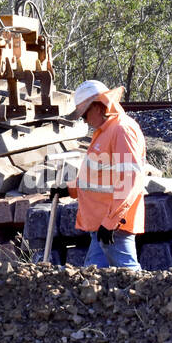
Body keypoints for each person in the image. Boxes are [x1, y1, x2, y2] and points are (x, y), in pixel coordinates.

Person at [67, 80, 145, 270]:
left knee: (128, 274)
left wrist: (111, 222)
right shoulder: (106, 131)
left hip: (113, 224)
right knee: (93, 278)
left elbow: (130, 180)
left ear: (98, 105)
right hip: (102, 223)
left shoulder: (121, 130)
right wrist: (69, 189)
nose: (84, 120)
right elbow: (98, 173)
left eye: (84, 114)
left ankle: (142, 299)